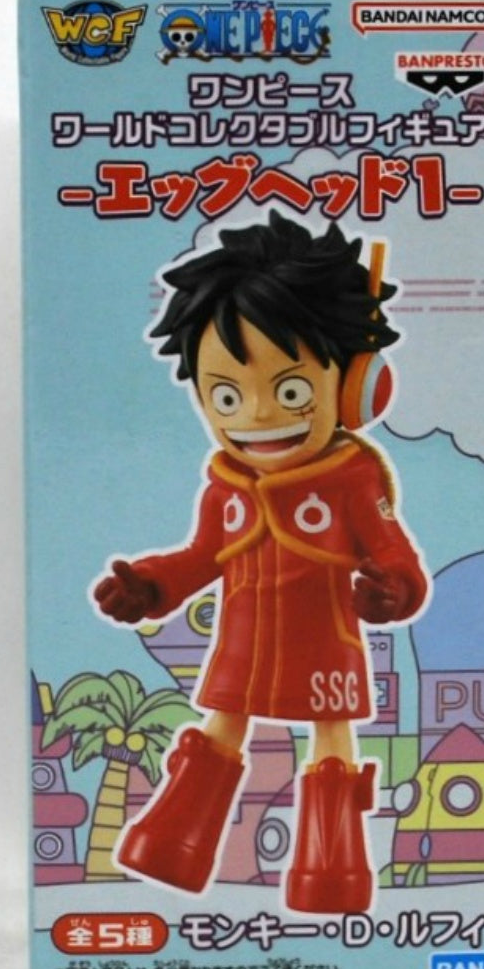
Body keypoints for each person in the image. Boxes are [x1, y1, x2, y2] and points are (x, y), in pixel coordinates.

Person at [93, 211, 428, 913]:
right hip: (242, 646)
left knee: (331, 743)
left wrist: (394, 589)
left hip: (326, 643)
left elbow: (393, 551)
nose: (257, 414)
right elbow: (201, 558)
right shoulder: (227, 483)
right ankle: (174, 844)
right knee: (220, 728)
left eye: (292, 391)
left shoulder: (351, 478)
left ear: (358, 386)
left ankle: (331, 872)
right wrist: (150, 585)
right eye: (225, 394)